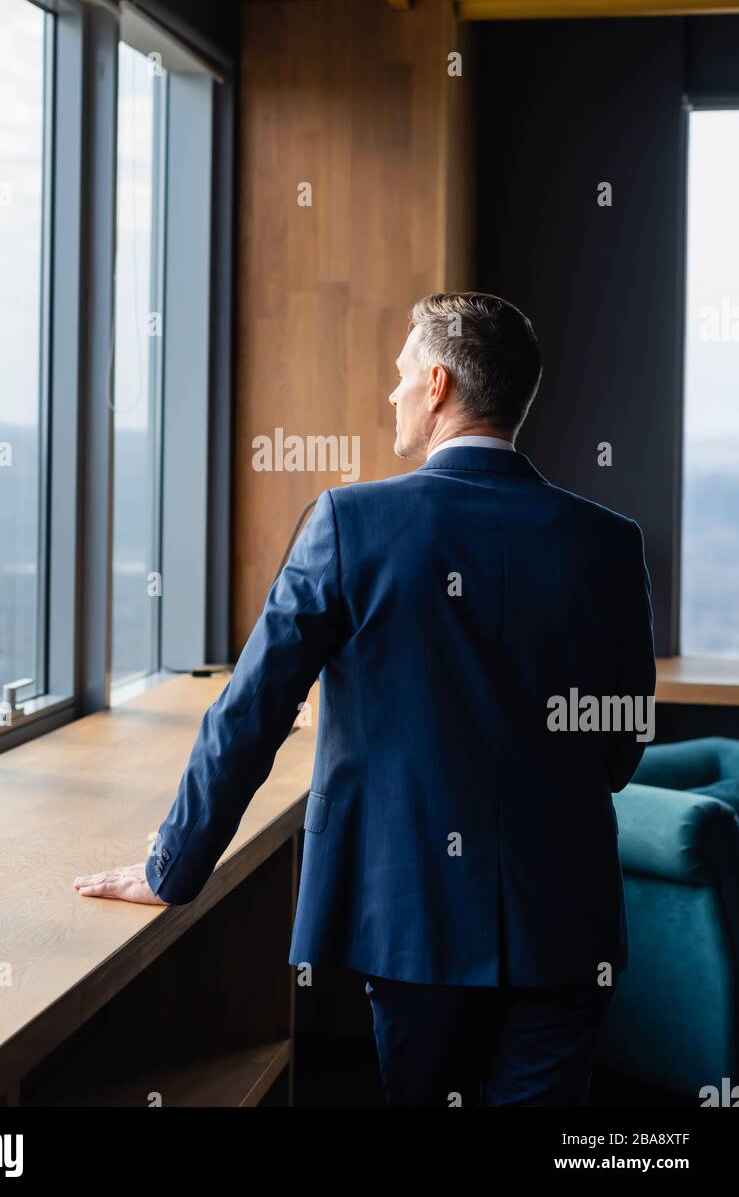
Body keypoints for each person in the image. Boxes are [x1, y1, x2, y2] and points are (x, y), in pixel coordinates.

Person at [74, 291, 656, 1107]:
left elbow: (251, 711)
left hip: (409, 917)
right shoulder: (607, 541)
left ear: (438, 385)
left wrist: (173, 867)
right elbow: (620, 750)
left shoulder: (350, 522)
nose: (391, 392)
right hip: (566, 921)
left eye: (400, 373)